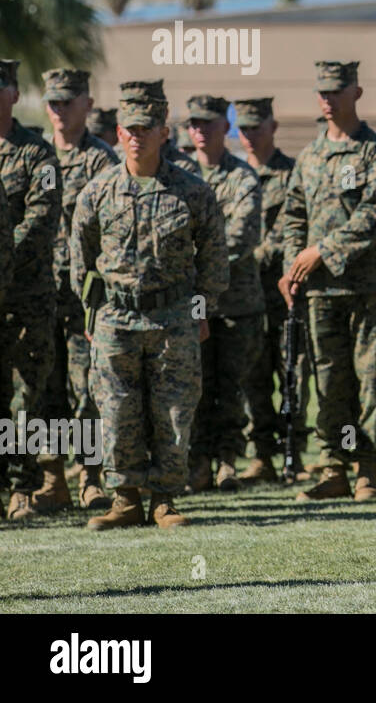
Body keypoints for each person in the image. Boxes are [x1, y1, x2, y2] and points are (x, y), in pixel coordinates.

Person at [71, 90, 227, 529]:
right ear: (119, 133)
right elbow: (79, 260)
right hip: (115, 320)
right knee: (117, 411)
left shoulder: (193, 192)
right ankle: (124, 498)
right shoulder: (98, 191)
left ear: (163, 132)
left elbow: (213, 259)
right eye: (129, 130)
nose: (137, 137)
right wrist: (92, 315)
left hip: (173, 318)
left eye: (146, 129)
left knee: (174, 410)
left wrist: (200, 312)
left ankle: (164, 498)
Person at [279, 60, 376, 503]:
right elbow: (294, 214)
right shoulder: (310, 156)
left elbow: (375, 217)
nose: (328, 99)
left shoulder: (375, 153)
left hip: (369, 288)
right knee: (329, 383)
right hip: (321, 291)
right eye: (322, 92)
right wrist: (293, 264)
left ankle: (366, 469)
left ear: (357, 93)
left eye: (337, 91)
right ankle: (334, 465)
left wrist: (321, 251)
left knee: (370, 379)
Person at [42, 68, 118, 511]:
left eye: (67, 101)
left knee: (86, 389)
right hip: (37, 297)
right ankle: (52, 478)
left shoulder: (100, 160)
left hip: (83, 299)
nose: (58, 110)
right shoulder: (36, 154)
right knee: (45, 390)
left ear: (87, 104)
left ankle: (90, 476)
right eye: (52, 101)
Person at [183, 95, 264, 493]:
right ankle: (197, 461)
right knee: (194, 385)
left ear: (223, 127)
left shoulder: (242, 176)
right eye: (192, 124)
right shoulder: (178, 174)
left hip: (236, 302)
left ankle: (228, 461)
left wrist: (196, 264)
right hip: (190, 303)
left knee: (231, 385)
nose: (198, 130)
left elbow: (242, 235)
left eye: (207, 123)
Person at [0, 59, 63, 521]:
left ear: (14, 95)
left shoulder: (38, 156)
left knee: (25, 394)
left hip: (26, 297)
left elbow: (39, 222)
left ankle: (23, 485)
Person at [233, 97, 307, 481]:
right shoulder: (234, 175)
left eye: (255, 127)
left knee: (291, 371)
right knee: (253, 376)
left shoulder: (290, 173)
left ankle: (295, 451)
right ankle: (260, 454)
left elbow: (289, 230)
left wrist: (246, 253)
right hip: (244, 295)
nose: (249, 136)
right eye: (243, 128)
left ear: (272, 127)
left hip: (282, 293)